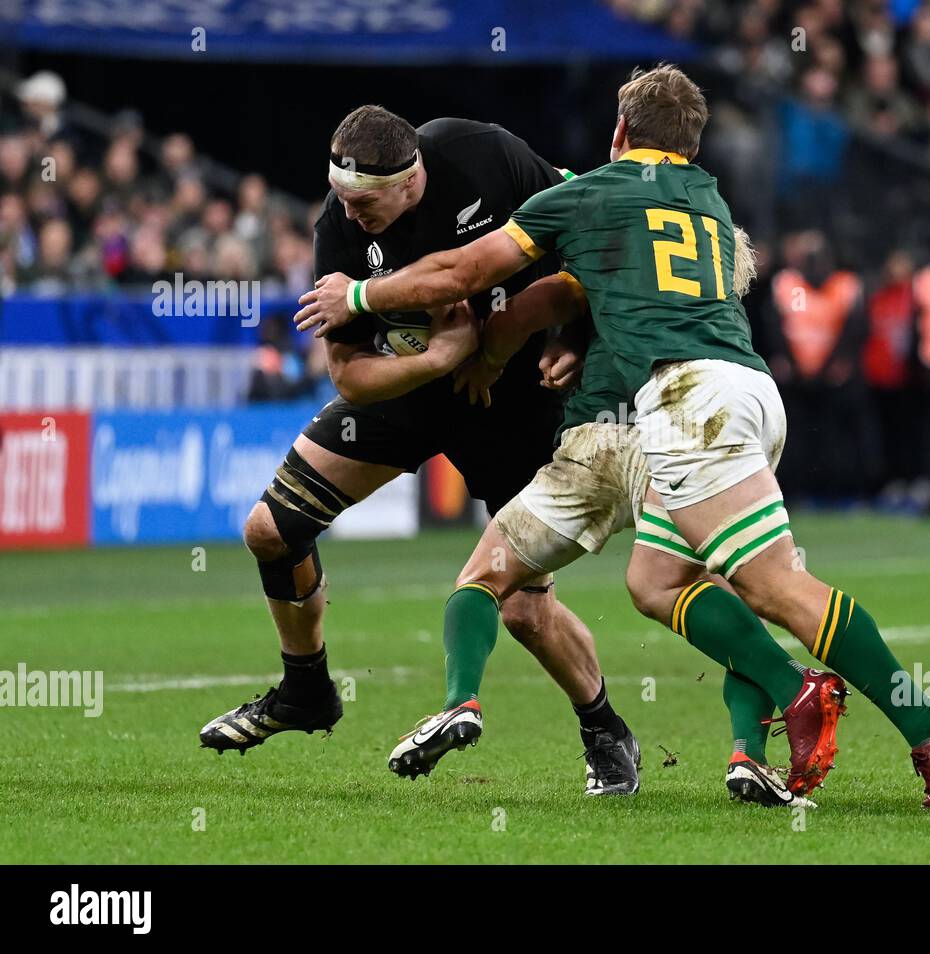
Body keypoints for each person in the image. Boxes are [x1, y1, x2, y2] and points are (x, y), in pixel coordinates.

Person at [297, 66, 930, 807]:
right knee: (658, 583)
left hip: (688, 401)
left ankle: (922, 720)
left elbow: (464, 269)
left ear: (619, 134)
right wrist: (577, 334)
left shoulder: (589, 196)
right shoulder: (710, 199)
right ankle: (764, 739)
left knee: (773, 587)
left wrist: (359, 294)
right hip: (745, 389)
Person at [200, 107, 639, 797]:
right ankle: (306, 690)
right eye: (340, 196)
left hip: (512, 397)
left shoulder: (486, 155)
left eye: (364, 201)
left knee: (523, 606)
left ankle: (605, 729)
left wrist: (577, 341)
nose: (349, 212)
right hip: (412, 389)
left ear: (412, 180)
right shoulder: (336, 230)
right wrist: (441, 358)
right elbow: (349, 374)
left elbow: (582, 226)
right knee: (271, 531)